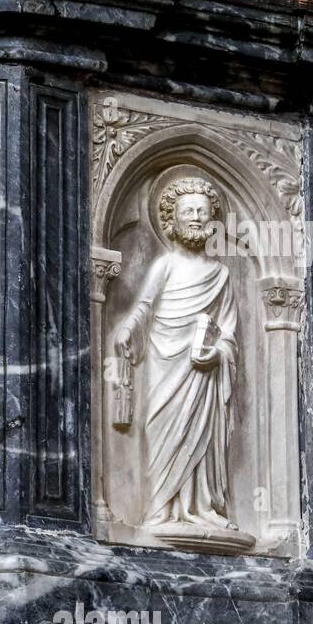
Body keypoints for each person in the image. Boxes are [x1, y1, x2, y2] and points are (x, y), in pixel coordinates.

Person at [113, 176, 240, 532]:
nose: (197, 217)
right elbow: (144, 307)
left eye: (203, 211)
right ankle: (162, 508)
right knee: (161, 432)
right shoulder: (165, 266)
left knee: (201, 437)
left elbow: (229, 332)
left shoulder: (221, 274)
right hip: (163, 363)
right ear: (172, 219)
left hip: (202, 374)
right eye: (188, 211)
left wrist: (217, 353)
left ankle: (201, 508)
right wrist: (126, 329)